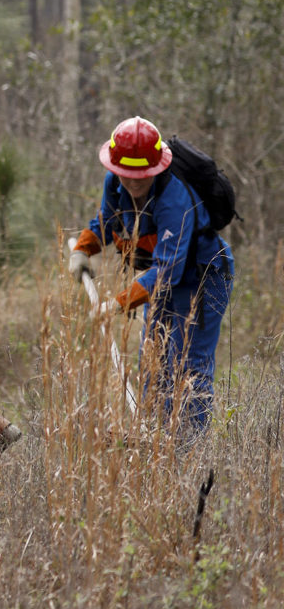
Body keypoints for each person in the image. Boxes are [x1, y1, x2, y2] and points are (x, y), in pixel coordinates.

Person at [68, 115, 234, 437]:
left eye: (141, 176)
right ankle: (153, 441)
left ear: (156, 167)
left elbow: (167, 271)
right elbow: (109, 219)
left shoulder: (174, 198)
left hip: (203, 276)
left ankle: (188, 451)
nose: (132, 182)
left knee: (188, 366)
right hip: (162, 279)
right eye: (126, 174)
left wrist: (117, 304)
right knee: (153, 360)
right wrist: (84, 249)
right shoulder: (114, 182)